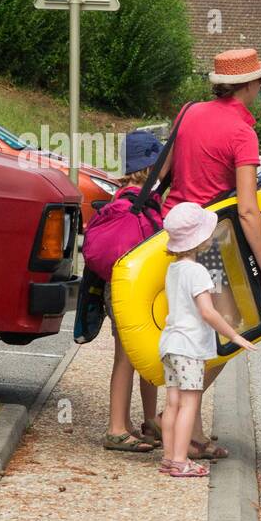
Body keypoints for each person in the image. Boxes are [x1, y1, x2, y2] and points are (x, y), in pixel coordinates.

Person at [157, 47, 261, 461]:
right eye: (259, 81)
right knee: (225, 334)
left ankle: (185, 430)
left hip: (170, 232)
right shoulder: (242, 133)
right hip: (211, 242)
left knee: (179, 327)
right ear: (250, 85)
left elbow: (164, 173)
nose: (260, 87)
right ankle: (176, 420)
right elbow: (248, 209)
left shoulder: (189, 112)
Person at [157, 203, 257, 477]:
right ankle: (180, 460)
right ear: (199, 239)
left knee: (172, 404)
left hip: (170, 344)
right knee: (190, 403)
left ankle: (168, 458)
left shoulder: (173, 269)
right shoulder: (198, 272)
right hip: (189, 347)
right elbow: (207, 311)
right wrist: (235, 335)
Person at [102, 130, 166, 453]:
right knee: (127, 357)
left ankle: (147, 420)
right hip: (130, 292)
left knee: (144, 352)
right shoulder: (137, 202)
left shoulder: (125, 197)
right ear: (148, 167)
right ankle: (116, 427)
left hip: (122, 289)